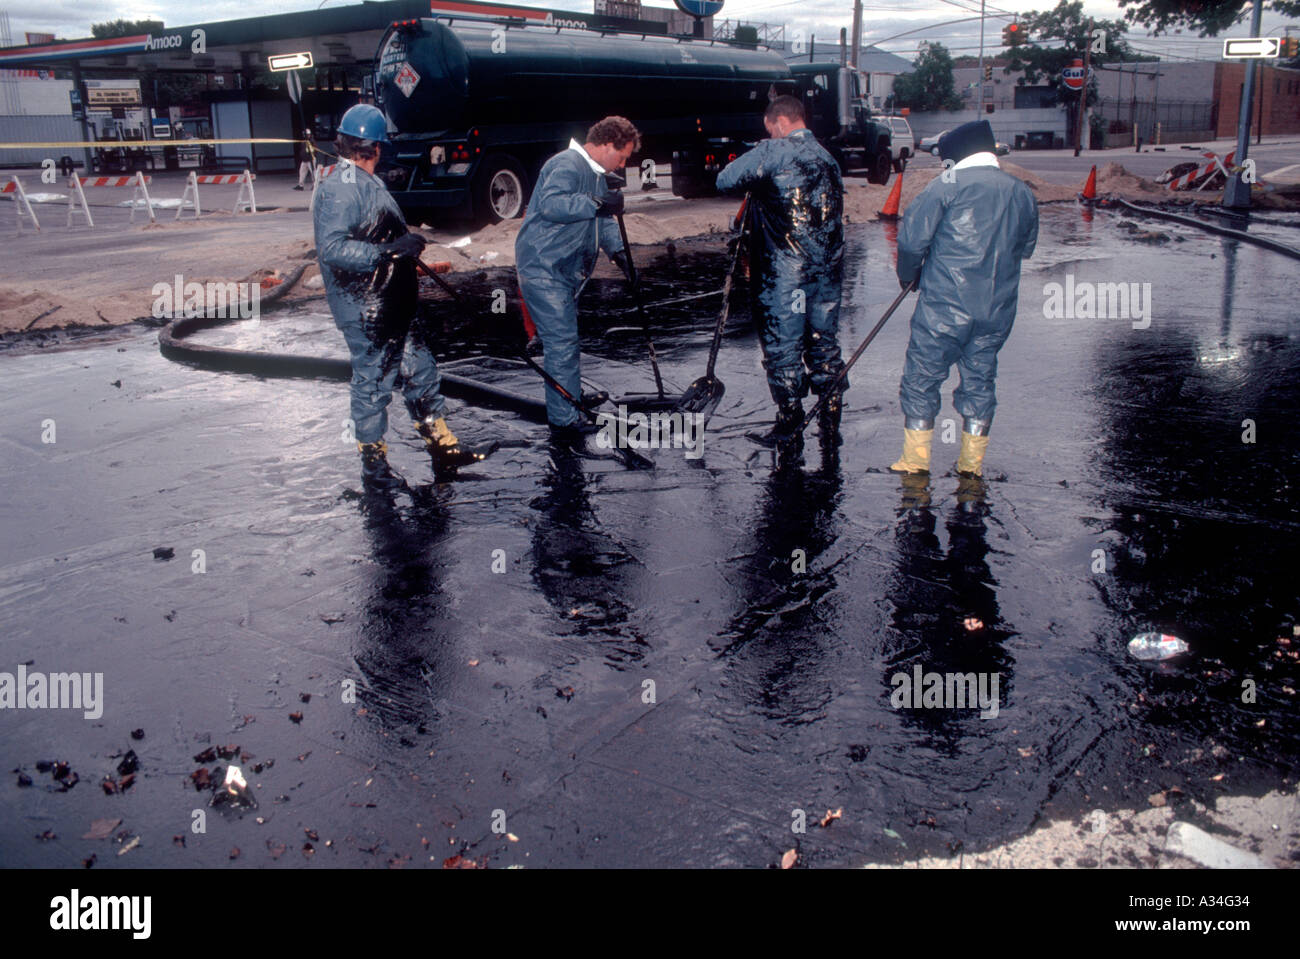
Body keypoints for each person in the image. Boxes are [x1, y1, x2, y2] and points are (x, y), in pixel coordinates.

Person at [314, 103, 493, 491]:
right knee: (373, 383)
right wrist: (390, 251)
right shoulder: (341, 187)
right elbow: (332, 249)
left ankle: (442, 445)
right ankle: (374, 470)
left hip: (389, 303)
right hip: (366, 309)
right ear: (377, 146)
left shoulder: (363, 181)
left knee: (420, 371)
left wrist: (399, 248)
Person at [890, 119, 1038, 478]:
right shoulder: (1022, 193)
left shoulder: (945, 188)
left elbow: (911, 243)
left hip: (944, 310)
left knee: (922, 378)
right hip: (996, 312)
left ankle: (915, 462)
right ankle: (971, 466)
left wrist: (910, 278)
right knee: (980, 381)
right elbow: (1026, 248)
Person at [714, 95, 846, 460]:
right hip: (827, 274)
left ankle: (790, 425)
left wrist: (762, 151)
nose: (768, 133)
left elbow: (725, 180)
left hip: (786, 274)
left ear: (779, 122)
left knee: (783, 349)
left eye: (769, 128)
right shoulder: (828, 159)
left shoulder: (774, 151)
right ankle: (831, 425)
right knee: (824, 345)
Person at [514, 116, 640, 449]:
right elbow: (553, 205)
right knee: (562, 342)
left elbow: (602, 222)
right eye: (622, 156)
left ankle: (567, 394)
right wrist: (598, 202)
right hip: (543, 266)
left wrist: (620, 254)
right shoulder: (567, 164)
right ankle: (564, 421)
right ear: (607, 144)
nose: (623, 164)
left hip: (565, 269)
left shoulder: (596, 175)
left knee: (565, 338)